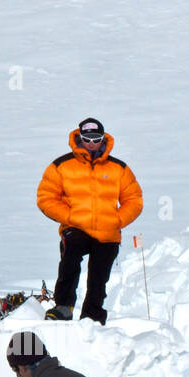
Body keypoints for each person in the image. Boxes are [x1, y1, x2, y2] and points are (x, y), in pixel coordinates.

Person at [37, 117, 143, 325]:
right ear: (79, 138)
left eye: (96, 139)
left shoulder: (119, 169)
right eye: (87, 139)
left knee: (99, 277)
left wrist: (117, 220)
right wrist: (69, 217)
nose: (92, 144)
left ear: (104, 140)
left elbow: (134, 200)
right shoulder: (61, 166)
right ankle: (63, 308)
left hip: (107, 232)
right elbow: (46, 198)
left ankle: (92, 317)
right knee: (69, 263)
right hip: (75, 227)